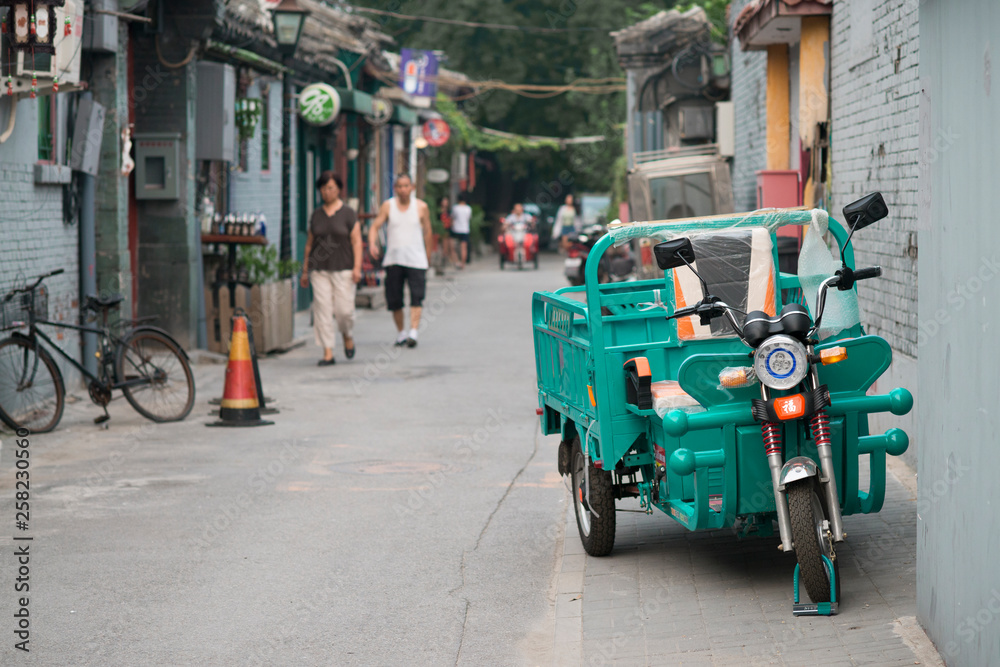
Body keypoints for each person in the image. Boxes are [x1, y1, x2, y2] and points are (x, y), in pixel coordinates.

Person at [300, 172, 361, 366]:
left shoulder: (348, 213)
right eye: (324, 188)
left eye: (332, 188)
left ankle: (347, 334)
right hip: (320, 270)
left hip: (344, 268)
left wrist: (357, 268)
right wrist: (305, 270)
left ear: (339, 189)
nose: (327, 192)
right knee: (322, 310)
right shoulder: (316, 215)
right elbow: (309, 244)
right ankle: (328, 351)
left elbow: (357, 242)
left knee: (344, 311)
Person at [368, 173, 433, 348]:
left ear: (412, 187)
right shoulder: (388, 206)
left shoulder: (421, 207)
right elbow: (374, 226)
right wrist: (372, 244)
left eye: (406, 186)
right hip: (393, 259)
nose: (403, 190)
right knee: (395, 299)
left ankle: (413, 332)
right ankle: (401, 333)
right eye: (400, 186)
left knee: (416, 297)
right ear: (395, 188)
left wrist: (427, 256)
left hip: (416, 260)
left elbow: (428, 232)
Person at [450, 194, 472, 269]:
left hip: (456, 229)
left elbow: (452, 217)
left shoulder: (455, 208)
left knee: (453, 247)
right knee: (464, 247)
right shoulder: (468, 208)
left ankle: (457, 261)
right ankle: (463, 264)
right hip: (465, 229)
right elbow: (468, 218)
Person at [438, 195, 455, 269]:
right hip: (442, 231)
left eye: (446, 202)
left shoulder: (449, 211)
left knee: (451, 246)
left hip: (449, 230)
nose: (445, 203)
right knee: (444, 248)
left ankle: (452, 261)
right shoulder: (439, 211)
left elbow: (452, 220)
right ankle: (444, 262)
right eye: (444, 202)